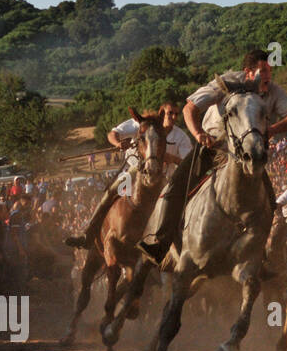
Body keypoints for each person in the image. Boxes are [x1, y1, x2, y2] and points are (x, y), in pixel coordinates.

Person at [138, 49, 287, 264]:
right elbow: (190, 109)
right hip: (212, 147)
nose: (268, 76)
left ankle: (259, 255)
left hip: (245, 155)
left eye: (269, 71)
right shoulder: (226, 82)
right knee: (175, 188)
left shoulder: (271, 90)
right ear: (248, 72)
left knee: (269, 202)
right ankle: (160, 242)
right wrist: (199, 134)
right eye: (263, 71)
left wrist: (271, 130)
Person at [64, 102, 192, 249]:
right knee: (112, 192)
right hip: (134, 169)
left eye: (176, 114)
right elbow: (113, 134)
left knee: (175, 206)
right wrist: (118, 143)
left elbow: (188, 162)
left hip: (163, 177)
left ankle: (173, 246)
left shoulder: (181, 137)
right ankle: (87, 235)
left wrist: (173, 159)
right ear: (162, 113)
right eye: (170, 113)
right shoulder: (139, 124)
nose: (174, 117)